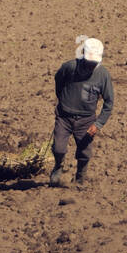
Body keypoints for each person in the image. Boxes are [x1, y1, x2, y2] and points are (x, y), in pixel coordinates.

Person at [49, 36, 113, 188]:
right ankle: (58, 166)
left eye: (94, 63)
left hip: (86, 120)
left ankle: (80, 177)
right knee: (58, 148)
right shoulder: (69, 67)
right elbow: (59, 81)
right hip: (64, 116)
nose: (91, 66)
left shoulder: (103, 75)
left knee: (84, 153)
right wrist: (63, 100)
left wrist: (97, 124)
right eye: (89, 62)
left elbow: (109, 102)